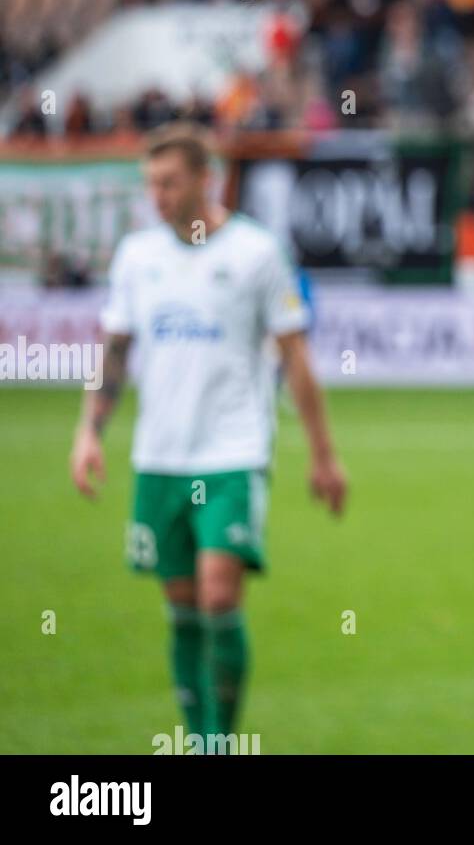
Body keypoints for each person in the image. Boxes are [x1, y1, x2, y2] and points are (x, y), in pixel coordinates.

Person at [69, 123, 347, 751]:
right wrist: (88, 433)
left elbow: (295, 358)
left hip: (233, 452)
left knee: (220, 594)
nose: (159, 196)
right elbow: (113, 352)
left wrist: (324, 456)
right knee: (182, 606)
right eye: (151, 185)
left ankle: (223, 742)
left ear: (205, 179)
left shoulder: (255, 253)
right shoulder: (137, 257)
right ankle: (199, 741)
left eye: (170, 183)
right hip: (160, 455)